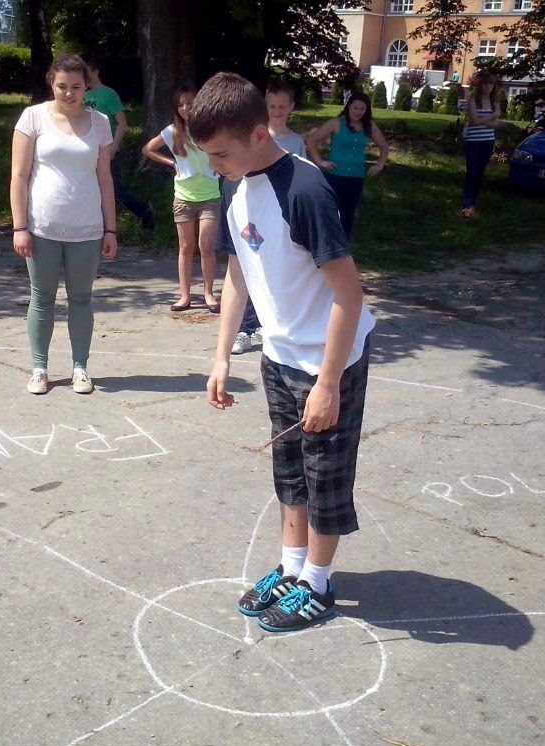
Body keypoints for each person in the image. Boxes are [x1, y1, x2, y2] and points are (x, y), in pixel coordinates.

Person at [189, 72, 375, 633]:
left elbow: (349, 293)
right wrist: (222, 355)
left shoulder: (306, 191)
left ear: (259, 132)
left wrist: (327, 382)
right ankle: (293, 568)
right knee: (290, 471)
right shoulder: (234, 183)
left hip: (328, 358)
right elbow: (239, 275)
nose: (214, 165)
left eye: (221, 153)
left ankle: (318, 584)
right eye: (208, 156)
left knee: (325, 479)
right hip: (279, 354)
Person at [9, 53, 117, 395]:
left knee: (82, 298)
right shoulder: (33, 117)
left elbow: (105, 179)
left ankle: (80, 368)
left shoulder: (100, 122)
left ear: (86, 86)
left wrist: (110, 229)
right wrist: (20, 226)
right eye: (61, 87)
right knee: (41, 298)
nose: (69, 93)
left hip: (87, 228)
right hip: (42, 227)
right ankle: (39, 368)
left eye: (75, 87)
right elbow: (19, 176)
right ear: (51, 84)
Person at [231, 81, 305, 355]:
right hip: (255, 217)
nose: (276, 111)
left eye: (282, 106)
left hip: (283, 220)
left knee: (276, 272)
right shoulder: (254, 136)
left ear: (291, 108)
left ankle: (269, 325)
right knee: (250, 268)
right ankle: (244, 329)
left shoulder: (296, 142)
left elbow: (300, 178)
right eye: (271, 106)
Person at [142, 84, 221, 313]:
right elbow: (148, 149)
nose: (186, 108)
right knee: (185, 247)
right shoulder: (172, 131)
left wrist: (220, 166)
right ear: (177, 108)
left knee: (206, 246)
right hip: (184, 196)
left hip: (210, 194)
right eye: (182, 104)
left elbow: (226, 149)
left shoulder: (210, 127)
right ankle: (184, 295)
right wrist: (171, 163)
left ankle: (208, 293)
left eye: (191, 103)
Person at [305, 92, 389, 240]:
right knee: (330, 211)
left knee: (348, 213)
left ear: (366, 110)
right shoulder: (336, 123)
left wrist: (379, 164)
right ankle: (324, 243)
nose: (358, 112)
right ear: (348, 106)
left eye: (362, 109)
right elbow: (311, 140)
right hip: (335, 175)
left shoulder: (369, 126)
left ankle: (342, 247)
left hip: (356, 177)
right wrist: (320, 161)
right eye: (355, 108)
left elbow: (384, 146)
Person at [83, 60, 154, 230]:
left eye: (85, 70)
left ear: (95, 70)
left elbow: (122, 123)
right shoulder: (83, 95)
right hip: (89, 150)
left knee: (113, 187)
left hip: (107, 149)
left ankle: (143, 210)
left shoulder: (108, 94)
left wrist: (114, 147)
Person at [460, 73, 501, 219]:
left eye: (490, 84)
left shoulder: (494, 102)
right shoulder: (473, 100)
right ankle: (467, 205)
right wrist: (492, 115)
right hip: (474, 141)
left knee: (479, 174)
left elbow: (496, 124)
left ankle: (472, 204)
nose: (487, 87)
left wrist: (484, 120)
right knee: (472, 172)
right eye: (485, 84)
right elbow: (475, 121)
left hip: (487, 142)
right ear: (480, 85)